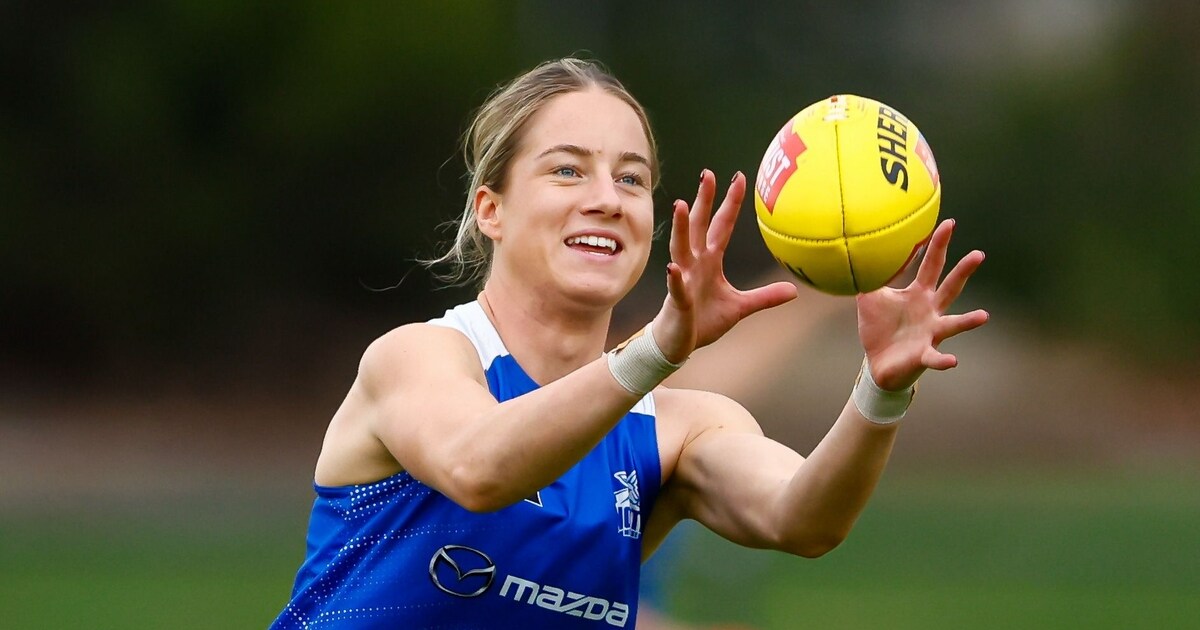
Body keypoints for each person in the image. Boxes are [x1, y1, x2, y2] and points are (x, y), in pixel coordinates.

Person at [270, 57, 988, 629]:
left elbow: (803, 517)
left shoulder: (676, 430)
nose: (607, 197)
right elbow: (479, 467)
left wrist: (882, 390)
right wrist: (657, 350)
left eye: (631, 178)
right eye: (566, 169)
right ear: (490, 208)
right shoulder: (422, 358)